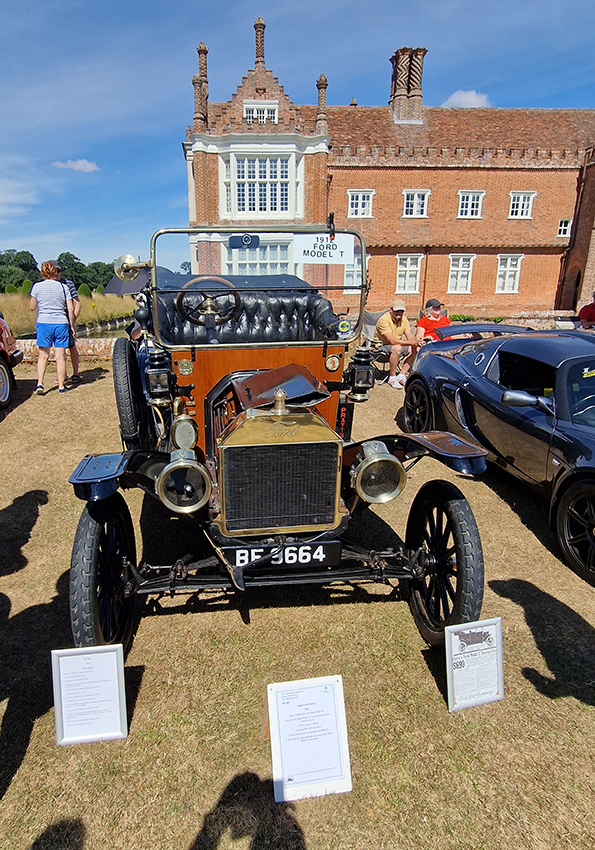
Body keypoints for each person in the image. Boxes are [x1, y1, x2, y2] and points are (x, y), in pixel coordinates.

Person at [29, 260, 75, 394]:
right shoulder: (63, 287)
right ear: (55, 272)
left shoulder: (37, 287)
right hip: (61, 322)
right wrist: (71, 325)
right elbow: (70, 308)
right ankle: (61, 386)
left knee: (43, 355)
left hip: (44, 322)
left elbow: (32, 307)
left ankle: (40, 384)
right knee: (60, 357)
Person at [373, 298, 418, 388]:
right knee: (397, 347)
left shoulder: (404, 319)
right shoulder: (384, 320)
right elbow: (391, 340)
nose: (399, 313)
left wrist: (415, 342)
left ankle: (401, 375)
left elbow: (410, 337)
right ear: (391, 310)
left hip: (398, 346)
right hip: (380, 347)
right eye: (397, 311)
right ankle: (392, 378)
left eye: (401, 311)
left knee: (416, 347)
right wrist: (409, 342)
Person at [55, 262, 82, 383]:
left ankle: (75, 373)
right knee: (59, 349)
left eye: (58, 271)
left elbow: (77, 303)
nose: (57, 274)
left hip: (68, 317)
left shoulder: (68, 283)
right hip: (56, 319)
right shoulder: (50, 285)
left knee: (72, 346)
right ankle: (63, 375)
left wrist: (73, 318)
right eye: (54, 271)